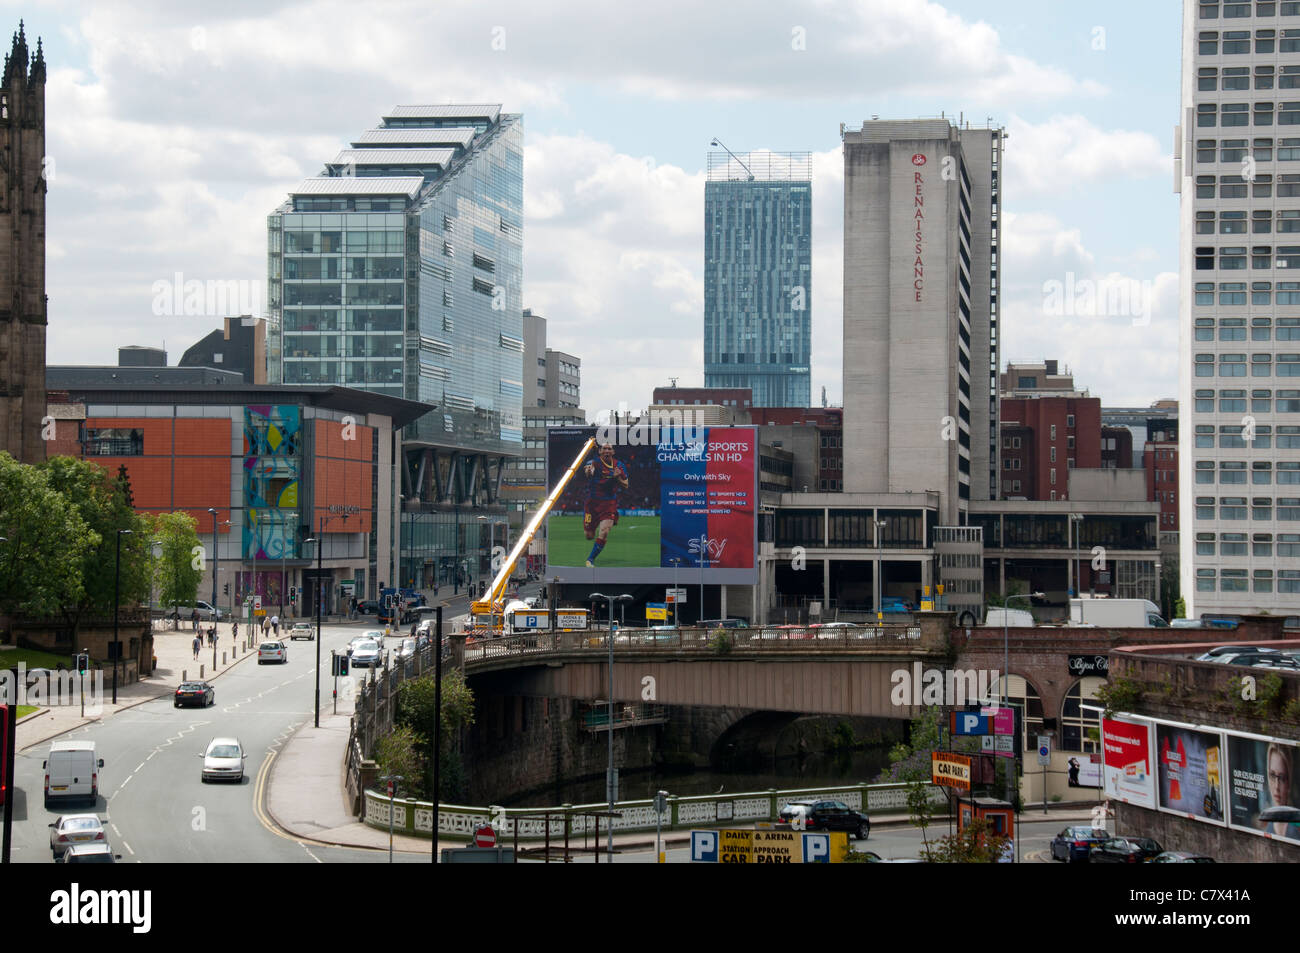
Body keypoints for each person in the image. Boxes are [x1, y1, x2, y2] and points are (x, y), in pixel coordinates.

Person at [582, 441, 628, 567]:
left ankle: (590, 559)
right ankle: (598, 523)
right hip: (592, 504)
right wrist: (589, 472)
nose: (607, 450)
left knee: (605, 531)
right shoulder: (593, 463)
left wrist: (617, 477)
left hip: (609, 504)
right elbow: (587, 472)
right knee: (589, 536)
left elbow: (626, 485)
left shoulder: (619, 465)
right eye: (604, 448)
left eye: (609, 449)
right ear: (600, 451)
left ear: (613, 452)